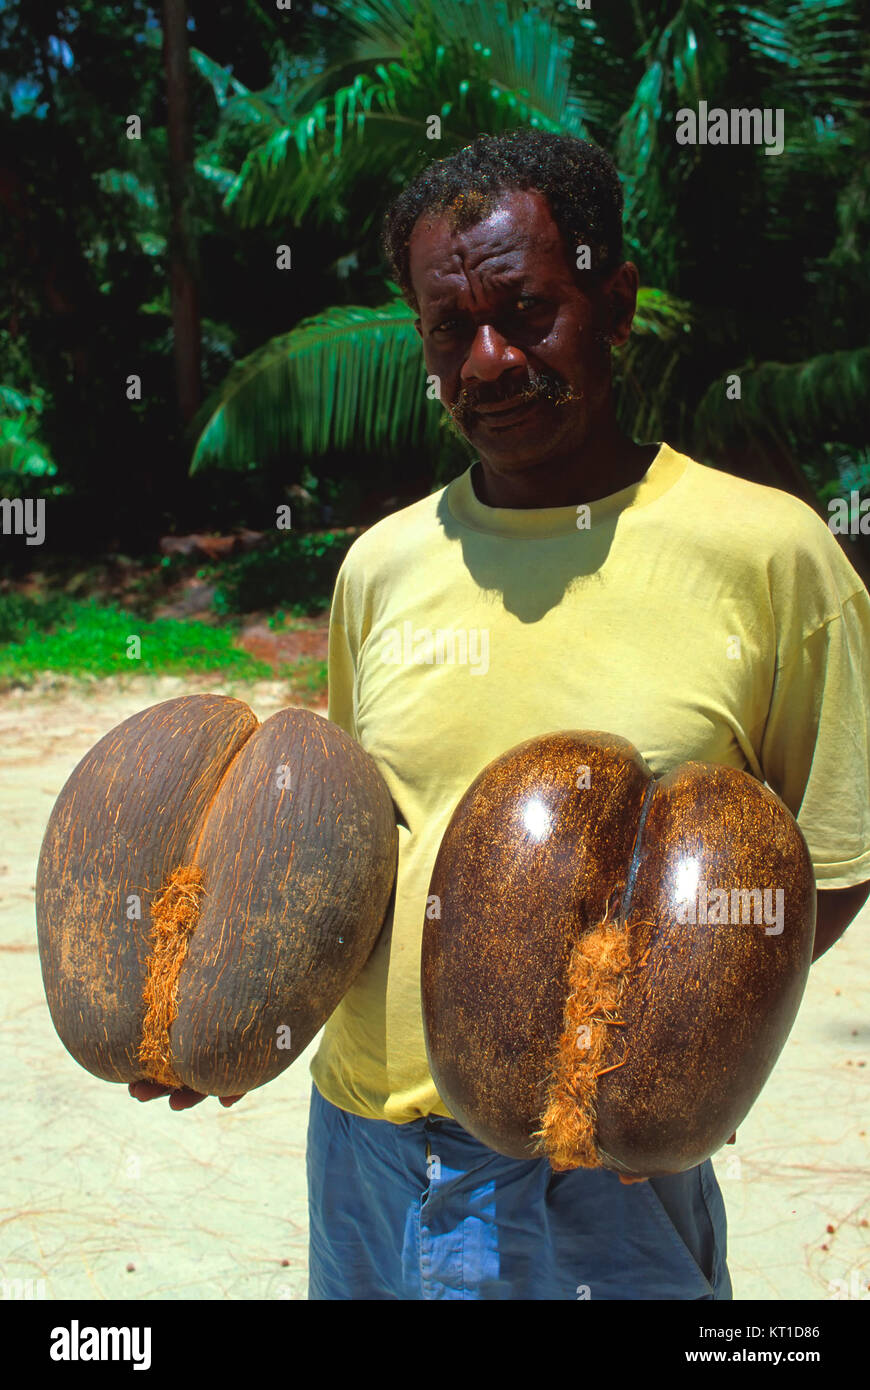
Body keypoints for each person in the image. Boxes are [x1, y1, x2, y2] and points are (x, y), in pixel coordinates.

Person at [132, 130, 870, 1301]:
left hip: (603, 1182)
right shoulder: (382, 567)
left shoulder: (770, 555)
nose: (485, 360)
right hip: (371, 1145)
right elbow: (350, 840)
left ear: (615, 305)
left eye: (527, 312)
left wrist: (669, 1064)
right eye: (447, 328)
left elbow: (824, 858)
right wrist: (233, 1006)